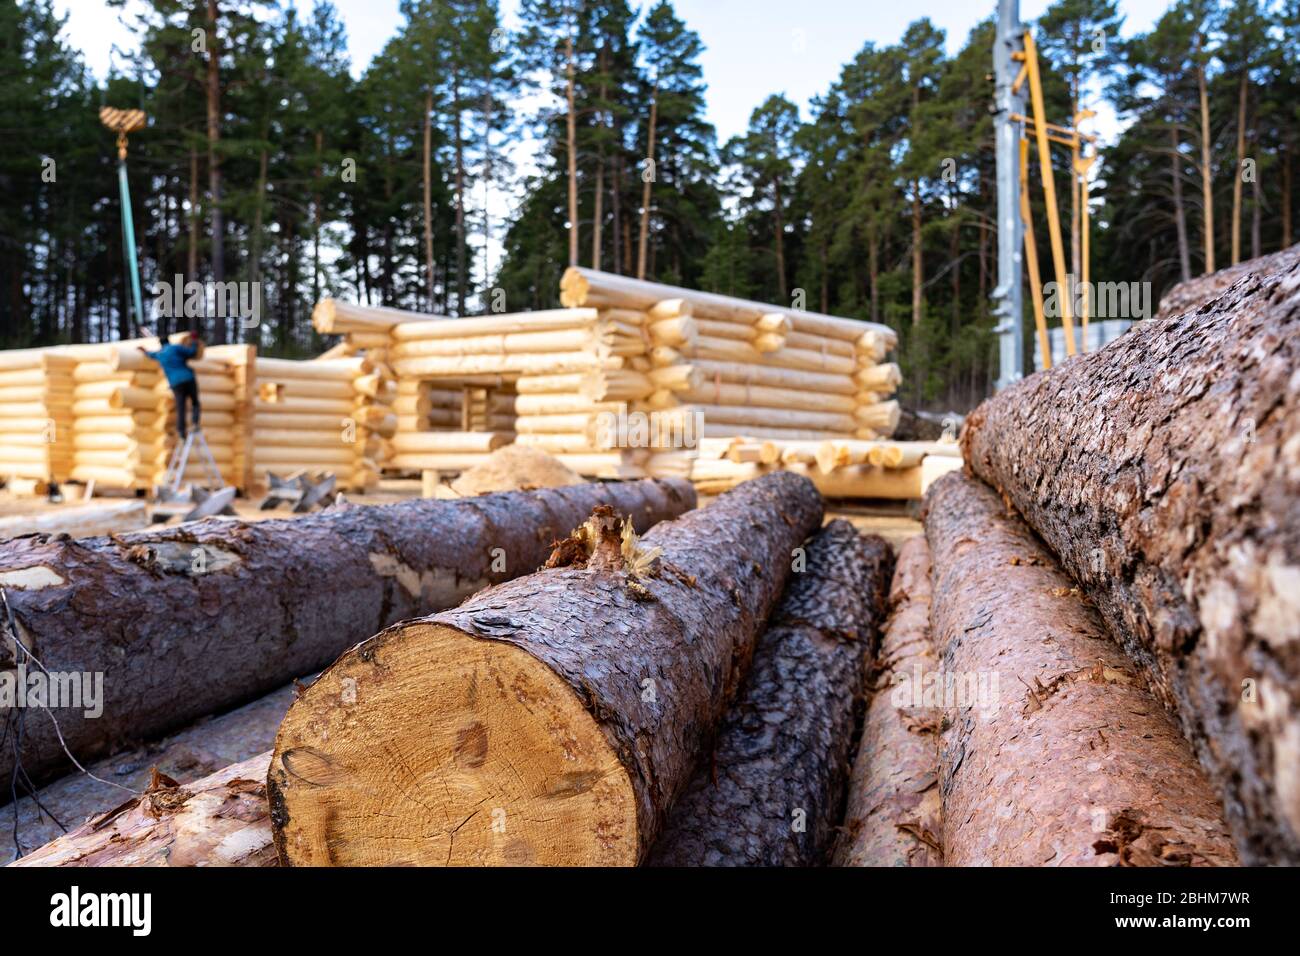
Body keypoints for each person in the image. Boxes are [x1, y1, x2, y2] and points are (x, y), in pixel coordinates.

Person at [139, 333, 203, 439]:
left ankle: (181, 432)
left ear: (160, 344)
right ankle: (195, 423)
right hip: (188, 378)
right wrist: (194, 342)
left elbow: (150, 354)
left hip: (175, 384)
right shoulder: (175, 348)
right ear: (169, 341)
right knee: (195, 402)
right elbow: (192, 353)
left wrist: (144, 350)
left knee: (181, 407)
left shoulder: (160, 354)